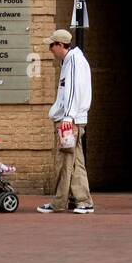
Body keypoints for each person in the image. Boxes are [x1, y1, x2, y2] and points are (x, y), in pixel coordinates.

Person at [37, 30, 94, 214]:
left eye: (52, 45)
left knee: (66, 161)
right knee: (74, 161)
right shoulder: (71, 61)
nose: (50, 49)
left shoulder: (74, 62)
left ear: (60, 45)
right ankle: (75, 200)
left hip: (70, 120)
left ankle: (67, 201)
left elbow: (71, 92)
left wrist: (68, 118)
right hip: (71, 118)